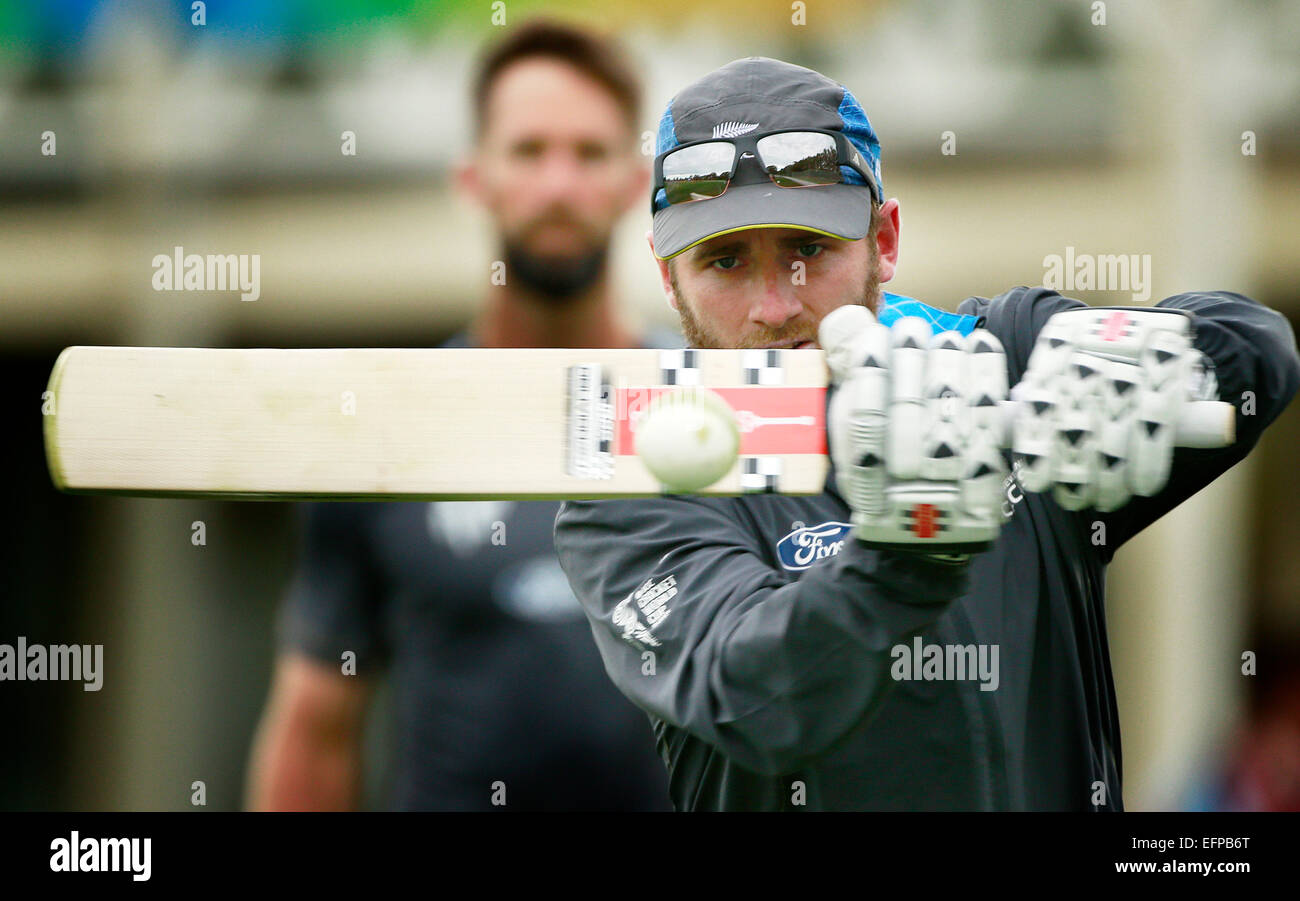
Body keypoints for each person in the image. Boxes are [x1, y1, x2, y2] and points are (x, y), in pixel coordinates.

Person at [553, 56, 1300, 811]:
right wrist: (907, 550)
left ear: (884, 238)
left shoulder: (999, 353)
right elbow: (756, 694)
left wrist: (1161, 365)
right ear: (666, 273)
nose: (775, 306)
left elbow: (1256, 349)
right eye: (725, 260)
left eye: (809, 249)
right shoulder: (637, 474)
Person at [247, 20, 671, 811]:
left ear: (633, 181)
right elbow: (315, 723)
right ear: (473, 177)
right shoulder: (384, 423)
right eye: (528, 150)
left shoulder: (707, 415)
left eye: (589, 153)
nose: (558, 185)